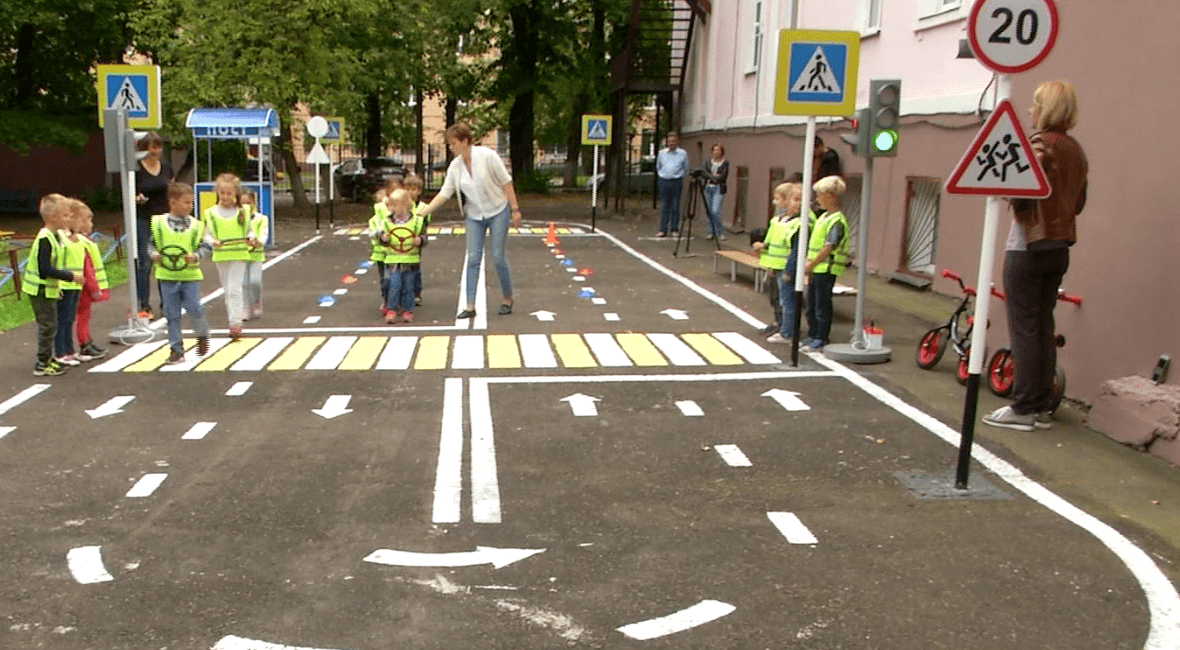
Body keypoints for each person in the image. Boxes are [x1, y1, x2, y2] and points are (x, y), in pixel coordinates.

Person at [983, 80, 1088, 432]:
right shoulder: (1076, 150)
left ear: (1046, 110)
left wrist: (1013, 196)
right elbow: (1079, 203)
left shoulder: (1039, 143)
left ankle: (1024, 406)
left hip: (1027, 246)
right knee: (1042, 325)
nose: (1030, 111)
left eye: (1034, 104)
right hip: (1059, 248)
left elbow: (1024, 188)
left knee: (1024, 327)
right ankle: (1042, 406)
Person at [417, 123, 522, 318]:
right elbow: (444, 193)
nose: (451, 148)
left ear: (465, 141)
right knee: (473, 258)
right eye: (449, 144)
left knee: (498, 257)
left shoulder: (487, 156)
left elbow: (506, 182)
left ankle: (507, 298)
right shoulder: (455, 167)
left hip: (498, 210)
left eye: (453, 143)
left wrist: (515, 210)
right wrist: (422, 212)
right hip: (474, 215)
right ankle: (470, 305)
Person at [22, 194, 82, 376]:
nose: (68, 219)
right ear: (53, 217)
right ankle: (42, 363)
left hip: (49, 289)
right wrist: (69, 276)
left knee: (52, 324)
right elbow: (44, 269)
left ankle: (48, 358)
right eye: (65, 215)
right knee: (47, 326)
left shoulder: (56, 236)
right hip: (39, 289)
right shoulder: (45, 239)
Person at [152, 183, 210, 364]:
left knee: (194, 308)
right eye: (186, 203)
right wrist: (153, 253)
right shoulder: (159, 223)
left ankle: (202, 335)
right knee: (171, 314)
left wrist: (195, 256)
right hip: (167, 275)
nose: (190, 207)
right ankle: (176, 349)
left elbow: (205, 246)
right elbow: (151, 243)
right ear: (173, 202)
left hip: (189, 276)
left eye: (191, 203)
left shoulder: (197, 225)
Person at [757, 183, 815, 345]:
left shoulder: (799, 223)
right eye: (794, 199)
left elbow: (796, 251)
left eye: (799, 200)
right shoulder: (780, 220)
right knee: (780, 300)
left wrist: (789, 270)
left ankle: (787, 332)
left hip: (786, 268)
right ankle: (782, 327)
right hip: (776, 265)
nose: (797, 203)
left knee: (787, 301)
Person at [202, 172, 254, 340]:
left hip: (239, 254)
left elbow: (250, 231)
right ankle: (232, 320)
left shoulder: (243, 211)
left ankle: (236, 323)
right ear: (217, 192)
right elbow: (206, 235)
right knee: (227, 289)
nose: (225, 196)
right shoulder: (210, 212)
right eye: (222, 193)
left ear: (235, 193)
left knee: (234, 289)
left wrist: (251, 238)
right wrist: (213, 242)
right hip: (221, 255)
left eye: (229, 193)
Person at [803, 175, 851, 350]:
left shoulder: (836, 220)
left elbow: (828, 247)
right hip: (817, 269)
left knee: (821, 305)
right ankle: (813, 334)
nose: (817, 199)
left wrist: (811, 263)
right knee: (811, 305)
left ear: (830, 196)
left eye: (819, 195)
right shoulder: (824, 217)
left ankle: (821, 337)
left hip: (825, 269)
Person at [133, 132, 174, 317]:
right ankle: (144, 305)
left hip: (163, 219)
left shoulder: (166, 168)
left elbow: (173, 189)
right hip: (144, 218)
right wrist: (137, 198)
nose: (155, 151)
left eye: (158, 147)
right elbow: (127, 193)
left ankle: (166, 303)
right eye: (152, 147)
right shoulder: (136, 169)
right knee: (145, 262)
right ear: (143, 149)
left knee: (164, 260)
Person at [379, 189, 426, 324]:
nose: (391, 208)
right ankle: (392, 309)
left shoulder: (416, 221)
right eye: (390, 205)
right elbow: (379, 237)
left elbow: (424, 237)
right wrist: (383, 238)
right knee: (393, 285)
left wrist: (419, 241)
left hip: (410, 261)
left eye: (395, 205)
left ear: (405, 204)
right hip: (393, 261)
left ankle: (407, 310)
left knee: (408, 287)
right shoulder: (387, 221)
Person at [71, 199, 110, 361]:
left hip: (82, 286)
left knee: (83, 316)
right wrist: (94, 288)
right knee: (82, 316)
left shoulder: (82, 240)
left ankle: (86, 341)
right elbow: (87, 269)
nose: (91, 223)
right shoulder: (81, 242)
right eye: (88, 219)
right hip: (84, 287)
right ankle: (84, 343)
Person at [52, 205, 84, 367]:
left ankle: (69, 349)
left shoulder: (75, 236)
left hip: (75, 284)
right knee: (62, 319)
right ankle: (60, 351)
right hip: (64, 283)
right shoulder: (59, 236)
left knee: (69, 318)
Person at [240, 189, 267, 320]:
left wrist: (259, 242)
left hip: (256, 254)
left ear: (253, 203)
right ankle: (245, 307)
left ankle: (257, 301)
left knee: (255, 281)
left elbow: (264, 233)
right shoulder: (237, 219)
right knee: (244, 283)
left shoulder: (261, 218)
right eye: (243, 203)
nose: (246, 206)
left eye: (248, 203)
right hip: (241, 255)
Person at [655, 132, 688, 237]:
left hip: (676, 181)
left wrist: (679, 175)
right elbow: (658, 166)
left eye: (673, 141)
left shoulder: (682, 153)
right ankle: (663, 229)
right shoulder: (662, 153)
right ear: (666, 142)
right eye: (669, 141)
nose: (671, 143)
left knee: (675, 206)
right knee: (664, 206)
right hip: (664, 181)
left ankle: (674, 229)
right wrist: (662, 175)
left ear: (677, 142)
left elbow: (685, 167)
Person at [404, 173, 429, 305]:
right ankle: (405, 292)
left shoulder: (423, 207)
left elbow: (425, 224)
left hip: (416, 240)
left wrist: (421, 238)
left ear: (419, 191)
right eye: (407, 189)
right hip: (402, 241)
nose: (410, 192)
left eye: (413, 189)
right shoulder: (401, 204)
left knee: (415, 268)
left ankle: (416, 293)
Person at [368, 187, 391, 313]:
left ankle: (392, 300)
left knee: (393, 278)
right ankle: (386, 301)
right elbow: (373, 235)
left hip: (394, 254)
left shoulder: (395, 217)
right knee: (385, 279)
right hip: (381, 255)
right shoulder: (375, 220)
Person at [703, 143, 729, 240]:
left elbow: (723, 176)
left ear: (722, 152)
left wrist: (712, 177)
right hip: (708, 187)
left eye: (718, 150)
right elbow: (705, 173)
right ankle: (711, 231)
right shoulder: (708, 162)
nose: (716, 152)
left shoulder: (725, 163)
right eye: (714, 150)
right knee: (709, 211)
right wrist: (714, 176)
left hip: (718, 188)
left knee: (715, 210)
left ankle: (720, 231)